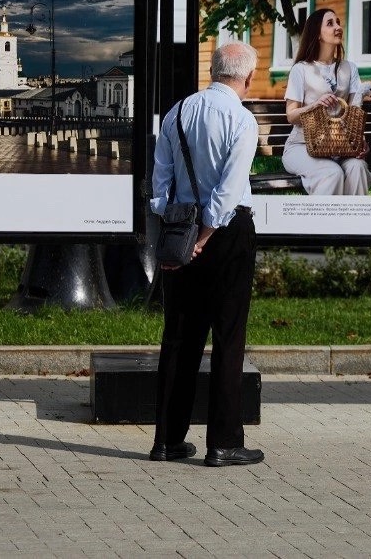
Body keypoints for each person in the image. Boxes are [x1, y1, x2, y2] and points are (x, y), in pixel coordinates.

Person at [148, 41, 263, 467]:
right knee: (228, 337)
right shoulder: (242, 119)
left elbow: (159, 179)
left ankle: (167, 439)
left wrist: (177, 224)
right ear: (247, 78)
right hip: (227, 234)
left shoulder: (178, 111)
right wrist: (207, 232)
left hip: (180, 229)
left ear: (213, 70)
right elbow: (230, 189)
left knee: (179, 336)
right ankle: (224, 443)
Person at [282, 8, 371, 195]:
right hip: (302, 147)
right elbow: (291, 115)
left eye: (338, 22)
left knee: (358, 168)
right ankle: (322, 224)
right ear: (317, 34)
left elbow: (353, 113)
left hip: (339, 147)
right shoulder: (301, 70)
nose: (338, 27)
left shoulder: (350, 68)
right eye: (330, 23)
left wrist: (360, 142)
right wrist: (317, 105)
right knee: (332, 173)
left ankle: (355, 224)